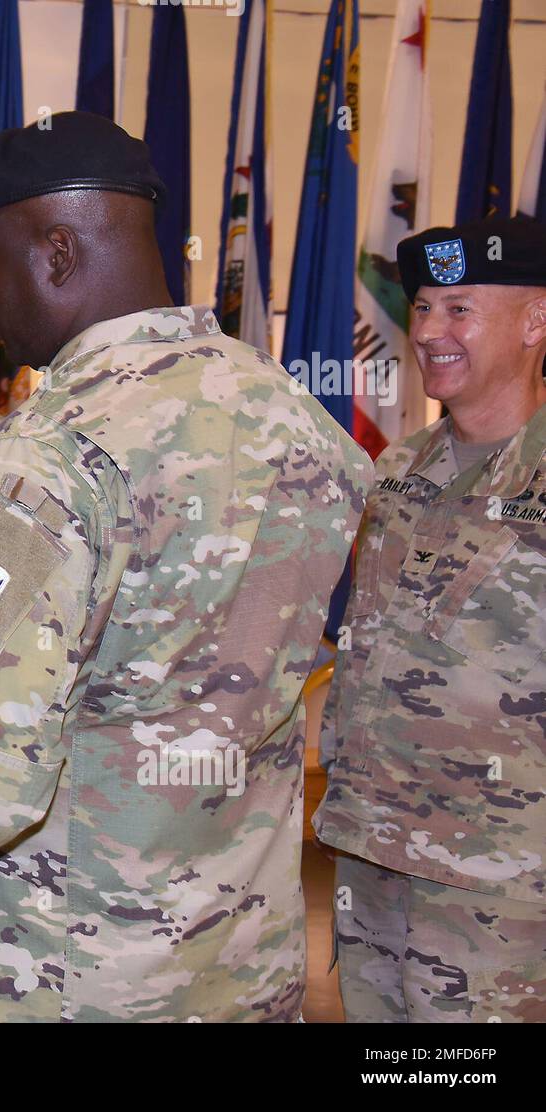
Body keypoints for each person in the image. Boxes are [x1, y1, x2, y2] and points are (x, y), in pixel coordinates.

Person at [0, 111, 374, 1021]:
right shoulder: (296, 420)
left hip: (57, 975)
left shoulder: (44, 464)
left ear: (55, 254)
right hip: (236, 964)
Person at [314, 215, 546, 1023]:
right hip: (373, 859)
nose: (428, 332)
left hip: (504, 889)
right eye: (420, 310)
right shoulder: (398, 470)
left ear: (535, 320)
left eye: (458, 309)